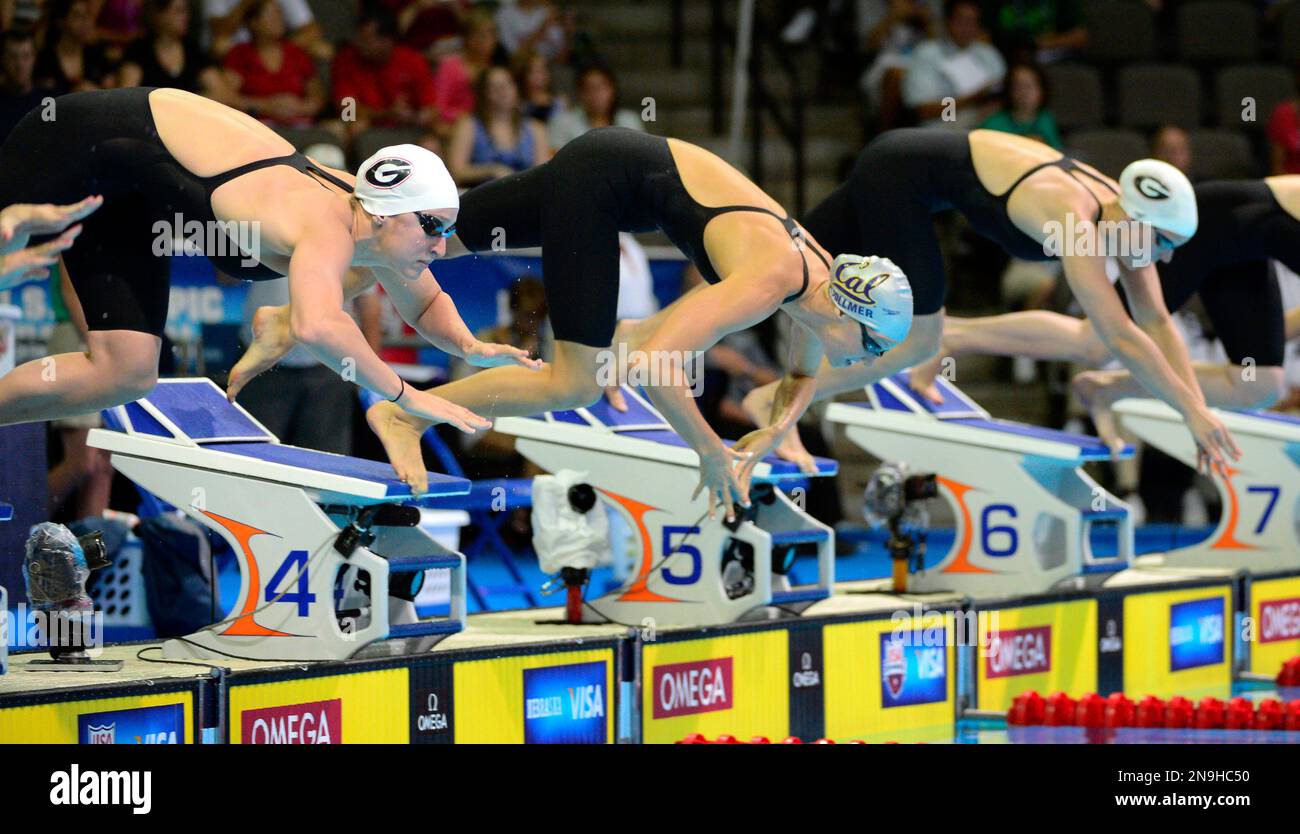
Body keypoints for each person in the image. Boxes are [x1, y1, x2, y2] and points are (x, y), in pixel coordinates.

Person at [230, 127, 915, 520]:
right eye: (871, 349)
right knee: (578, 383)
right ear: (852, 321)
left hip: (611, 162)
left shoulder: (821, 277)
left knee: (420, 242)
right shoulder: (773, 279)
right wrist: (709, 447)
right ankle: (406, 416)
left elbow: (802, 361)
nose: (860, 362)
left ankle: (288, 319)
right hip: (602, 188)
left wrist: (783, 424)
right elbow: (655, 370)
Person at [0, 87, 535, 446]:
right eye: (434, 227)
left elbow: (427, 300)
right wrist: (405, 394)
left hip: (131, 190)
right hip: (69, 139)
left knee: (126, 373)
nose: (442, 246)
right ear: (385, 215)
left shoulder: (373, 218)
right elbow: (318, 324)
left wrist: (471, 348)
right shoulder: (325, 224)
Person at [742, 127, 1239, 474]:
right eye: (1163, 243)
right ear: (1137, 219)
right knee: (918, 341)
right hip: (898, 179)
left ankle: (776, 399)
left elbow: (1156, 320)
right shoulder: (1076, 219)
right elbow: (1121, 335)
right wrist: (1191, 413)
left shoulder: (1124, 217)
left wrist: (1197, 411)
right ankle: (772, 401)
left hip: (912, 174)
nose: (1164, 258)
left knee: (790, 268)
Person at [895, 177, 1300, 450]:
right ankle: (955, 334)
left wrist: (1262, 339)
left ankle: (1110, 388)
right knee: (1095, 340)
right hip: (1205, 225)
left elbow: (1281, 331)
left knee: (1259, 385)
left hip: (1245, 254)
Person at [332, 4, 440, 151]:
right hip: (368, 127)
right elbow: (346, 112)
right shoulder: (347, 60)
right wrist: (385, 113)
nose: (360, 44)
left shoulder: (413, 61)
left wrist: (419, 115)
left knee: (432, 143)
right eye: (360, 37)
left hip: (407, 129)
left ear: (387, 40)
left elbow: (431, 108)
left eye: (368, 40)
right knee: (350, 127)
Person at [902, 0, 1005, 129]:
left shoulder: (989, 54)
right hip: (945, 124)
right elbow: (923, 111)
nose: (967, 28)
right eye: (962, 21)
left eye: (972, 22)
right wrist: (972, 99)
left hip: (988, 123)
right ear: (947, 22)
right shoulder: (927, 54)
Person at [222, 0, 323, 129]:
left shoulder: (296, 52)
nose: (279, 20)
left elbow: (317, 97)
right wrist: (266, 106)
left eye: (280, 14)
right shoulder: (240, 54)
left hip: (299, 125)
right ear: (254, 23)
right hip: (257, 128)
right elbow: (227, 98)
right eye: (271, 15)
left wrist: (299, 107)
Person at [447, 64, 548, 185]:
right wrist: (491, 170)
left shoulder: (536, 128)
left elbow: (543, 176)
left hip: (524, 197)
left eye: (508, 83)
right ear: (483, 93)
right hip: (480, 196)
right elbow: (456, 171)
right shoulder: (468, 125)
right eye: (495, 86)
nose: (503, 90)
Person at [119, 0, 224, 95]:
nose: (186, 17)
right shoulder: (138, 51)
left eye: (186, 11)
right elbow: (126, 98)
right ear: (159, 15)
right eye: (179, 11)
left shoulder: (192, 50)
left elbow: (221, 93)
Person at [547, 64, 642, 150]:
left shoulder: (630, 121)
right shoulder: (562, 123)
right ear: (580, 93)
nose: (596, 94)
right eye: (589, 88)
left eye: (601, 88)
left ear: (612, 90)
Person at [36, 0, 119, 93]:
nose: (85, 21)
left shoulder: (96, 55)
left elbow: (112, 94)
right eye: (77, 16)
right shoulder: (44, 60)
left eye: (87, 15)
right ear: (61, 21)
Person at [0, 29, 56, 141]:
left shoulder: (50, 102)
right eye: (12, 57)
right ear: (2, 60)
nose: (20, 65)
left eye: (26, 56)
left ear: (34, 58)